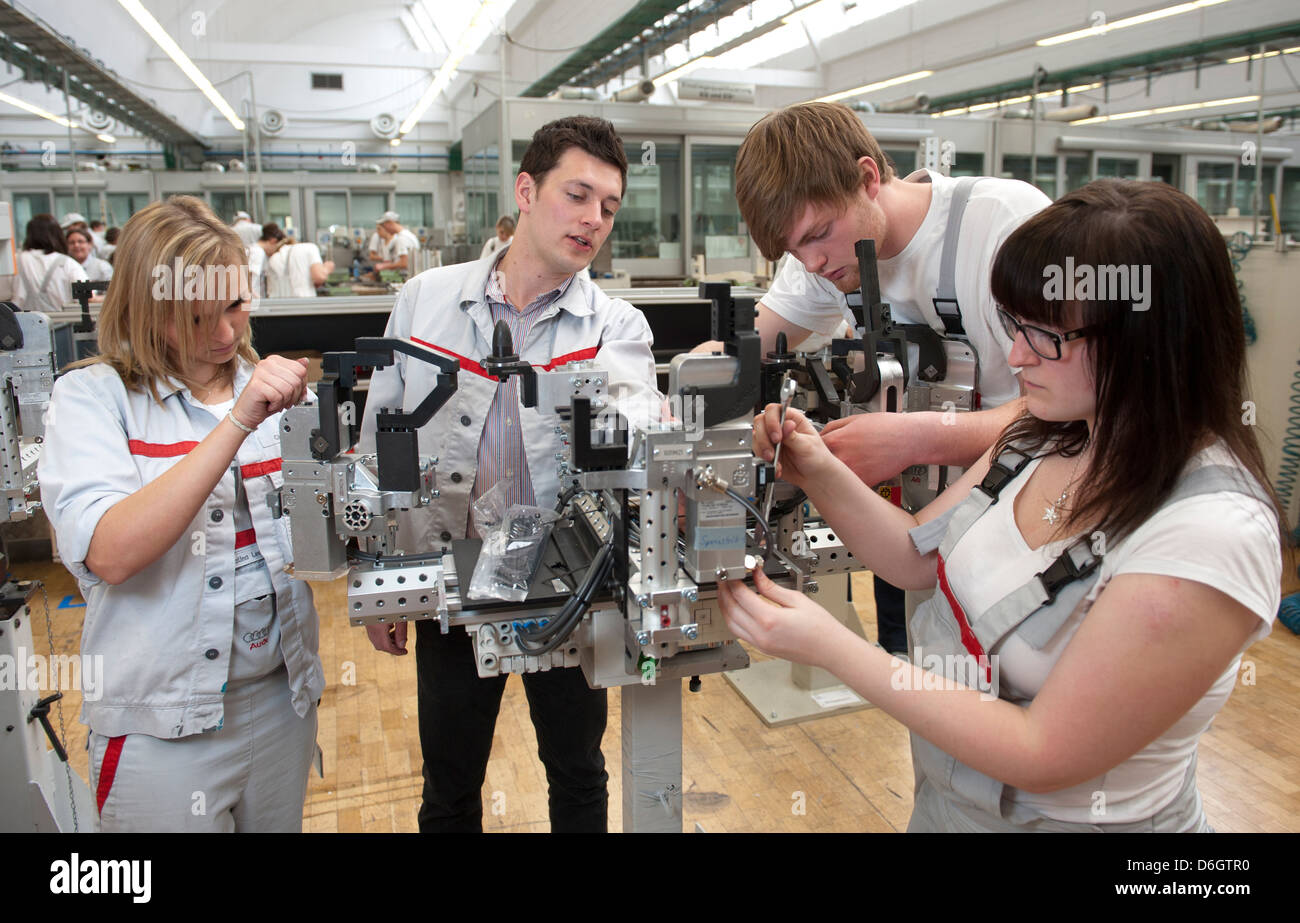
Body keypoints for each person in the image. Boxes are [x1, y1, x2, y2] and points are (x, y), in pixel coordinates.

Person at [722, 179, 1285, 832]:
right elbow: (915, 556)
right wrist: (817, 468)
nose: (1016, 357)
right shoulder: (1045, 434)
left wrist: (837, 649)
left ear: (1147, 337)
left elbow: (1042, 750)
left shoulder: (1209, 534)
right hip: (949, 810)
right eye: (1014, 326)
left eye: (1046, 337)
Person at [359, 115, 657, 832]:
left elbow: (637, 446)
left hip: (569, 585)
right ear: (527, 190)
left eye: (609, 208)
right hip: (452, 576)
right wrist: (382, 578)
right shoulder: (425, 301)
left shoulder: (615, 327)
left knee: (579, 775)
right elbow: (378, 445)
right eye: (577, 195)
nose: (593, 220)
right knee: (452, 784)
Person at [38, 195, 324, 832]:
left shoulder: (260, 379)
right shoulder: (92, 398)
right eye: (198, 318)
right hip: (164, 727)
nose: (225, 334)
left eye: (235, 306)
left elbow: (303, 526)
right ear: (149, 312)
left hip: (282, 697)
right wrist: (238, 421)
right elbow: (112, 552)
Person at [726, 101, 1051, 654]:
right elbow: (748, 349)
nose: (811, 264)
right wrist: (675, 391)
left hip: (1032, 514)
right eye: (793, 248)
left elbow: (1078, 408)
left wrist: (917, 436)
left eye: (818, 235)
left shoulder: (1003, 225)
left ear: (868, 178)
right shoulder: (825, 258)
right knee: (922, 675)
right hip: (915, 517)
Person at [14, 214, 87, 312]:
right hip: (62, 323)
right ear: (58, 235)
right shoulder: (67, 263)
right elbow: (86, 296)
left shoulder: (16, 260)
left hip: (23, 324)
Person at [265, 234, 334, 297]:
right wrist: (327, 268)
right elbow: (319, 277)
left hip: (278, 305)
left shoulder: (274, 258)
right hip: (304, 303)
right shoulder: (309, 248)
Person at [371, 210, 419, 278]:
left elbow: (404, 263)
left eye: (384, 226)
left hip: (406, 277)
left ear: (389, 223)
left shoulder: (402, 238)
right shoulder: (409, 235)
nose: (386, 230)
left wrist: (383, 266)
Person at [247, 222, 287, 298]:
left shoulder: (252, 249)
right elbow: (249, 282)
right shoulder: (257, 252)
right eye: (277, 248)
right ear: (273, 241)